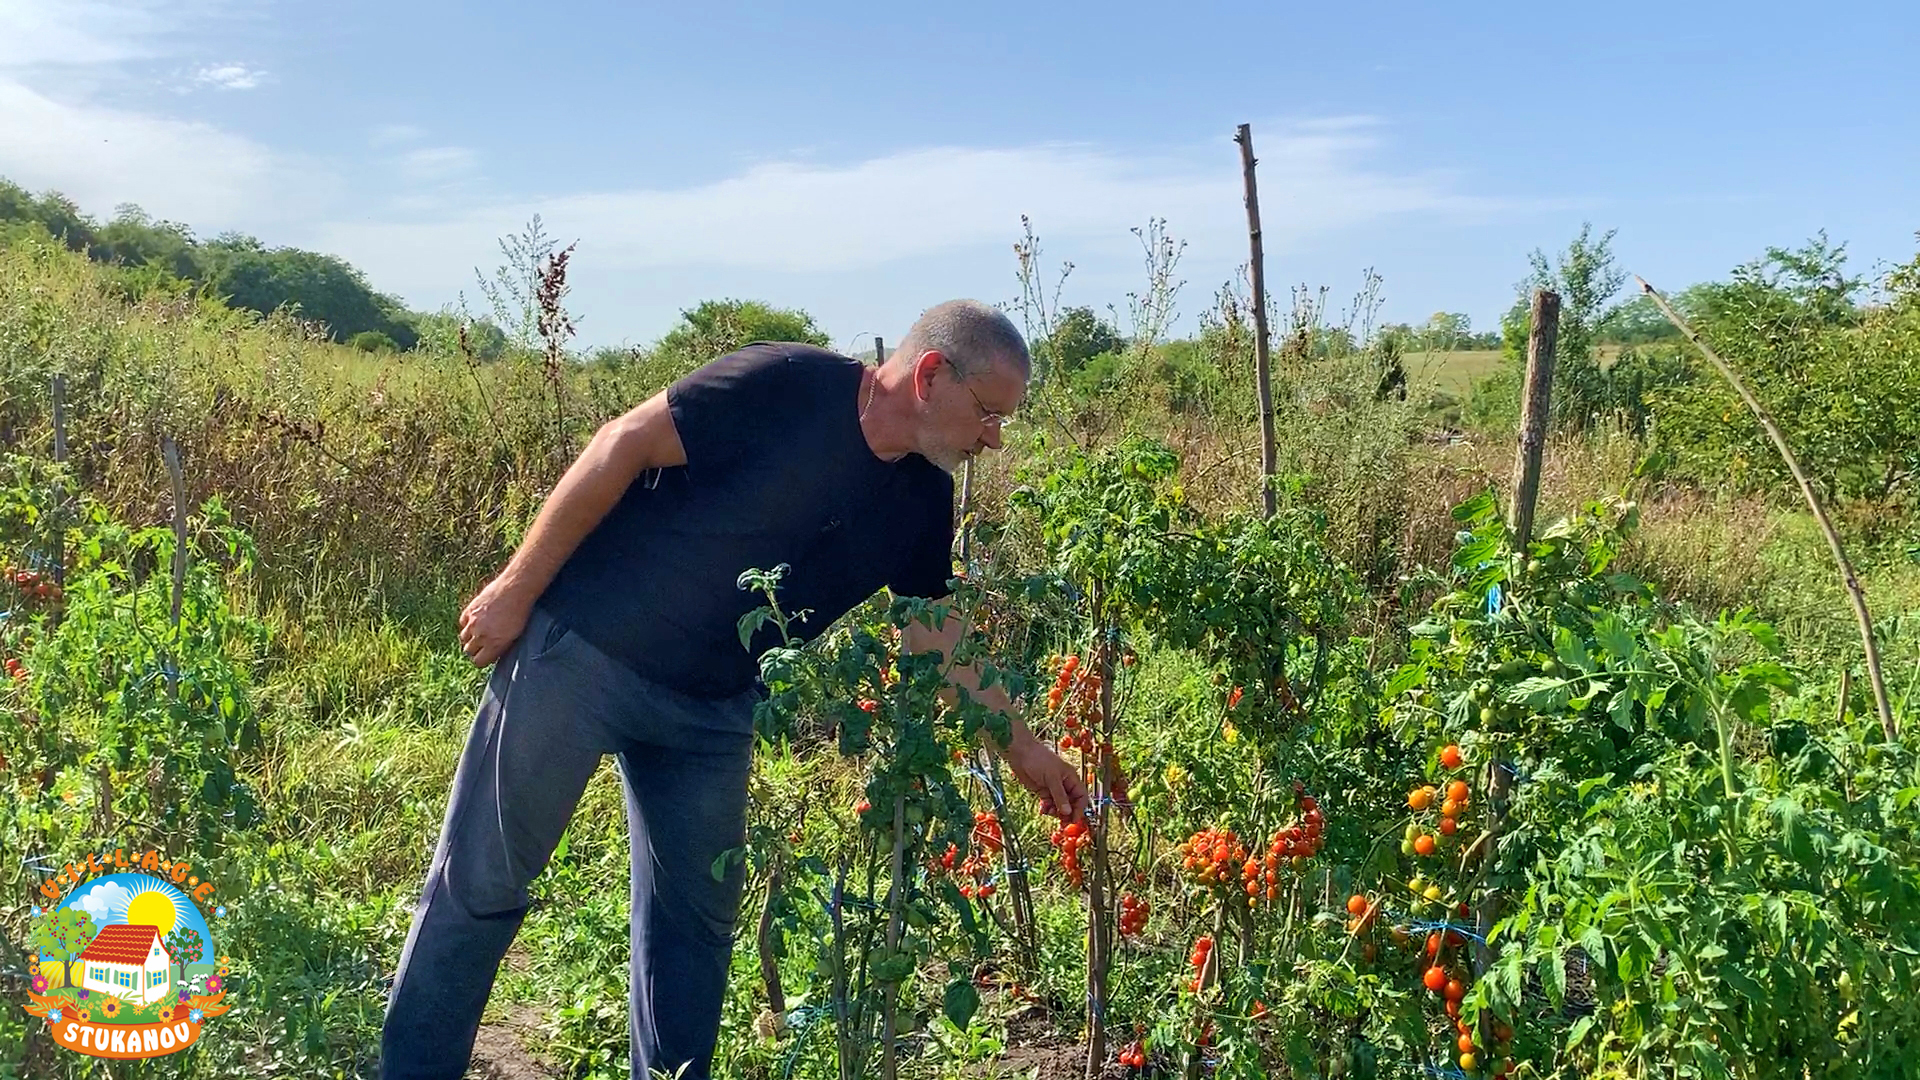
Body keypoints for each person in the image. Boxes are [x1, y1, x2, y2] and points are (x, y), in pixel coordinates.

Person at [378, 299, 1089, 1080]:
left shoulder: (921, 495)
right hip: (587, 651)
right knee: (482, 881)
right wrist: (516, 589)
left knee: (696, 923)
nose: (992, 439)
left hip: (710, 710)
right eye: (989, 414)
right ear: (929, 375)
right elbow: (622, 444)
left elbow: (935, 639)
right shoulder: (784, 383)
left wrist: (1025, 749)